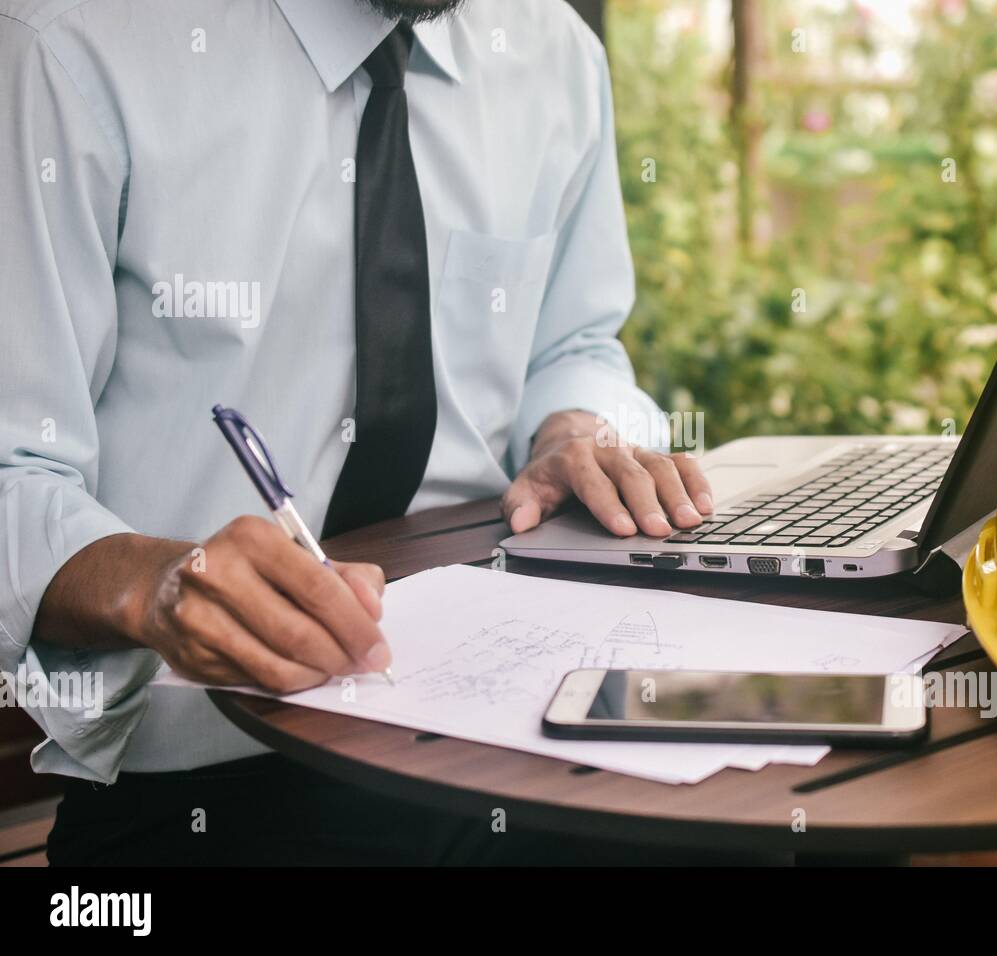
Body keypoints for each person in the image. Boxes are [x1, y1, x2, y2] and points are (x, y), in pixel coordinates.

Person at [0, 0, 715, 864]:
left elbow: (574, 341)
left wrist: (572, 425)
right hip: (209, 783)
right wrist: (152, 587)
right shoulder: (63, 45)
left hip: (519, 733)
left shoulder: (550, 46)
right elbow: (13, 465)